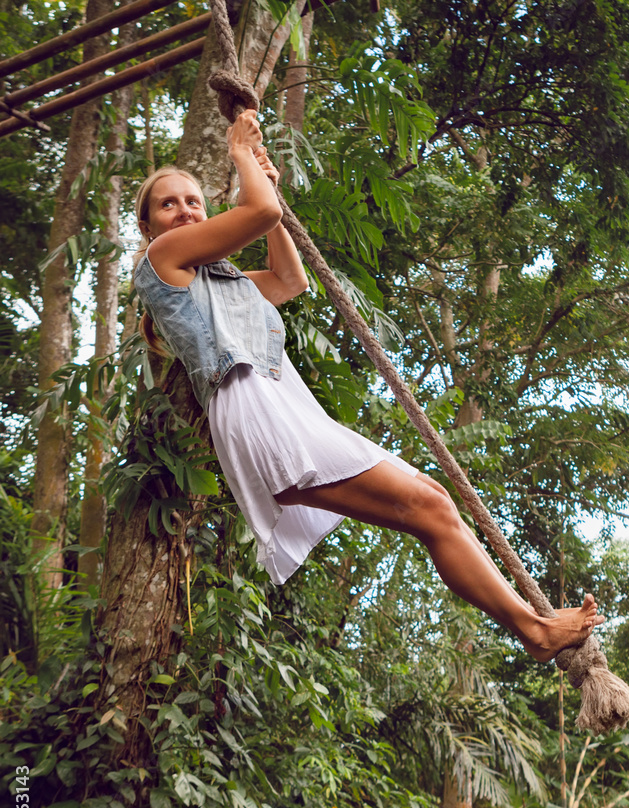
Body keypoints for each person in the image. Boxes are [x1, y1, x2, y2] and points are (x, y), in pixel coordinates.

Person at [131, 109, 602, 662]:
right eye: (169, 204)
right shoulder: (161, 260)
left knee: (433, 505)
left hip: (284, 410)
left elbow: (289, 280)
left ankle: (533, 628)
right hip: (254, 410)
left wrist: (271, 196)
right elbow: (257, 211)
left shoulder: (225, 281)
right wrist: (241, 154)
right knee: (429, 506)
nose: (185, 210)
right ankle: (535, 632)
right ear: (148, 226)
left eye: (193, 201)